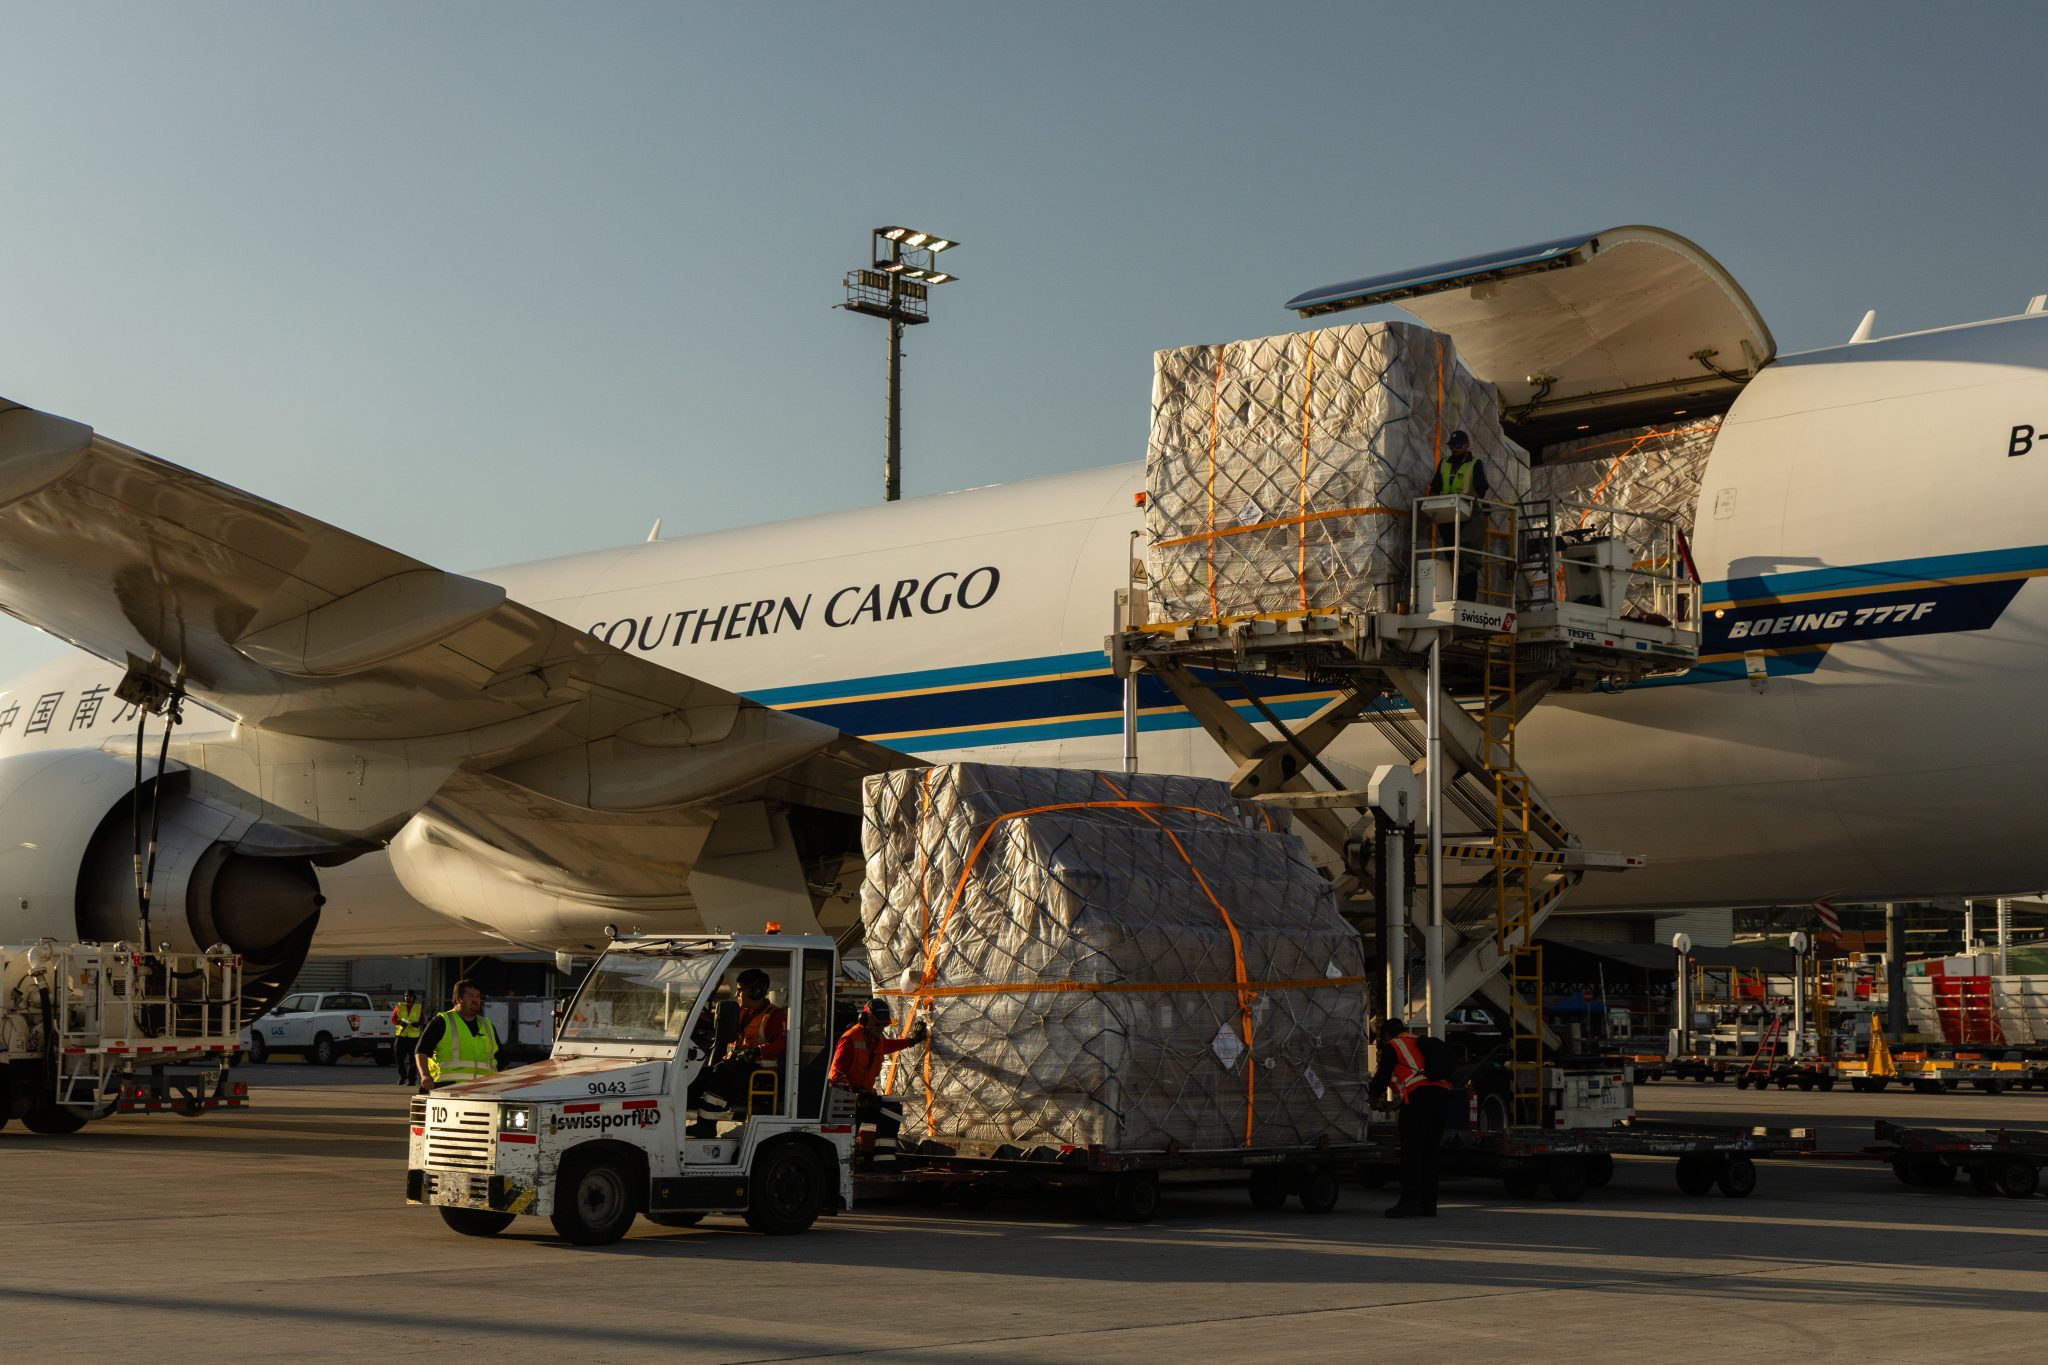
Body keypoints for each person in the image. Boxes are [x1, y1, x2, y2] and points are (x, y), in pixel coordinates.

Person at [828, 998, 928, 1164]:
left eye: (883, 1026)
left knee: (893, 1109)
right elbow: (835, 1075)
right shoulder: (850, 1040)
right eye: (877, 1026)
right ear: (864, 1020)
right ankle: (848, 1157)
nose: (881, 1029)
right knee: (849, 1135)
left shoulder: (877, 1040)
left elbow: (890, 1045)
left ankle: (883, 1159)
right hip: (845, 1102)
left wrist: (912, 1040)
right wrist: (856, 1093)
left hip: (864, 1099)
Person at [1370, 1017, 1452, 1218]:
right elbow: (1417, 1080)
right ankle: (1429, 1204)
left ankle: (1409, 1202)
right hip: (1440, 1097)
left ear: (1387, 1035)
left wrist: (1370, 1094)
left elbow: (1382, 1079)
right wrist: (1396, 1104)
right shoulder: (1418, 1041)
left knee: (1411, 1153)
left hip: (1419, 1101)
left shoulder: (1393, 1045)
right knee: (1430, 1153)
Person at [701, 968, 789, 1115]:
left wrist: (756, 1051)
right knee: (704, 1073)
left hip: (761, 1073)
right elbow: (721, 1023)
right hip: (740, 1068)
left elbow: (781, 1042)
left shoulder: (774, 1016)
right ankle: (702, 1115)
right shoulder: (741, 1012)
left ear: (757, 992)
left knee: (722, 1071)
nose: (737, 994)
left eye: (740, 990)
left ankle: (707, 1123)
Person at [1425, 429, 1492, 600]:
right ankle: (1456, 595)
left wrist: (1468, 497)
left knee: (1466, 557)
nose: (1454, 449)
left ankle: (1467, 597)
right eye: (1451, 445)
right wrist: (1432, 503)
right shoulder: (1445, 463)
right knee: (1451, 554)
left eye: (1457, 445)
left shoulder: (1475, 463)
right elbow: (1435, 487)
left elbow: (1481, 489)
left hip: (1467, 515)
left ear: (1467, 445)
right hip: (1447, 516)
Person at [415, 979, 501, 1091]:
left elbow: (501, 1059)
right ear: (458, 999)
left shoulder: (487, 1025)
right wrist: (425, 1075)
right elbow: (421, 1051)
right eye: (470, 996)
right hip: (447, 1088)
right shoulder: (442, 1021)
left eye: (478, 996)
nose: (476, 1000)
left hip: (483, 1090)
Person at [389, 989, 424, 1086]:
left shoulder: (418, 1008)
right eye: (406, 996)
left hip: (413, 1037)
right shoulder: (399, 1006)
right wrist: (400, 1022)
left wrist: (418, 1024)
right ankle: (403, 1076)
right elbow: (393, 1019)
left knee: (413, 1060)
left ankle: (412, 1079)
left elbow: (422, 1020)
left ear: (413, 998)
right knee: (399, 1058)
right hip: (401, 1035)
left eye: (410, 996)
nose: (408, 998)